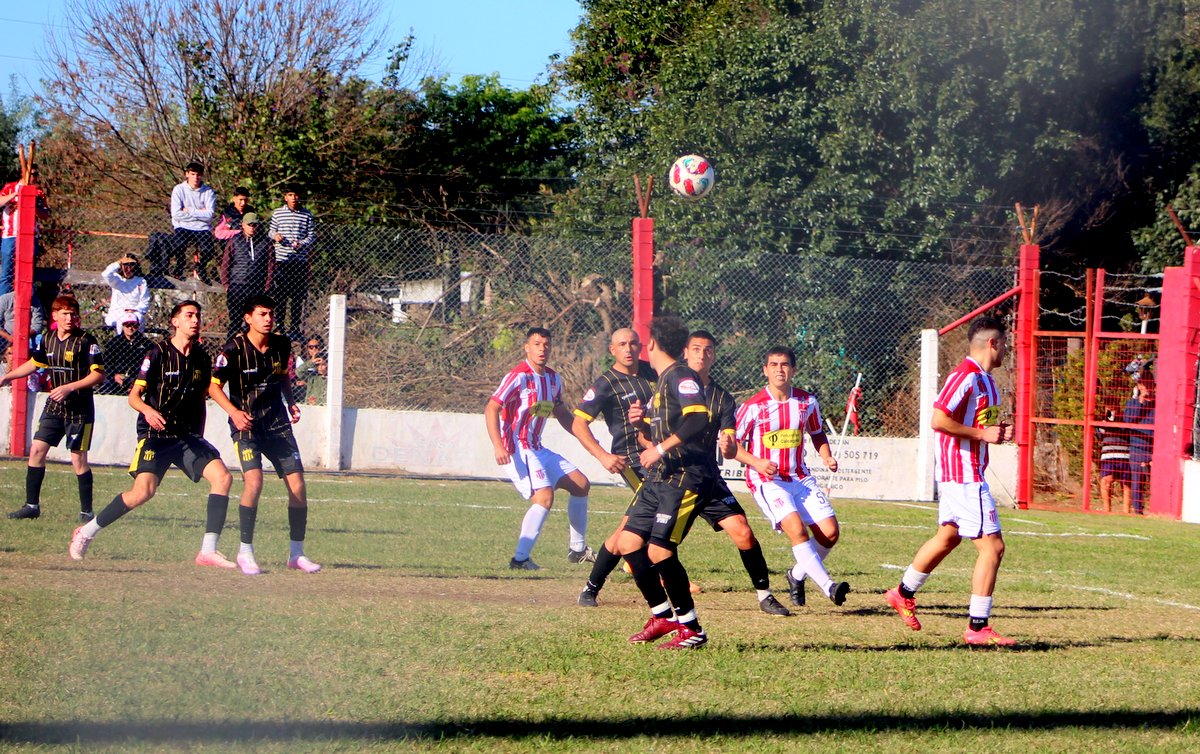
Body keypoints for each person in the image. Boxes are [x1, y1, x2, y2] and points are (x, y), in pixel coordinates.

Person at [68, 300, 235, 567]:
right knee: (142, 492)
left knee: (223, 478)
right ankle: (86, 532)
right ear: (175, 322)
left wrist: (200, 434)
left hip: (185, 435)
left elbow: (203, 397)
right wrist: (148, 411)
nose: (195, 320)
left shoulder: (202, 357)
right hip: (155, 435)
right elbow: (134, 397)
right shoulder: (156, 352)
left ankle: (207, 551)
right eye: (189, 315)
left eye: (198, 316)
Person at [884, 316, 1017, 646]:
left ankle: (902, 593)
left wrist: (997, 433)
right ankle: (977, 626)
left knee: (948, 538)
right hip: (963, 475)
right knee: (993, 547)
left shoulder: (988, 381)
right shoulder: (965, 376)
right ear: (993, 344)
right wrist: (981, 433)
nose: (1007, 349)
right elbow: (938, 419)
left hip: (966, 473)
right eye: (1005, 343)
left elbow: (979, 426)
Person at [615, 315, 715, 650]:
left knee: (659, 550)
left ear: (653, 344)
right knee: (628, 544)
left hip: (685, 477)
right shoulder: (662, 381)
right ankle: (662, 616)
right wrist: (644, 427)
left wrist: (659, 447)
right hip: (660, 477)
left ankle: (693, 629)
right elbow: (657, 437)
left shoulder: (681, 375)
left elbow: (698, 418)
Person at [728, 346, 851, 609]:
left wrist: (826, 456)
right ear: (765, 370)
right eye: (773, 365)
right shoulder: (753, 407)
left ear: (793, 370)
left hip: (799, 478)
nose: (779, 370)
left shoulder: (807, 402)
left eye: (784, 365)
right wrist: (757, 462)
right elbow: (731, 447)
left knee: (829, 533)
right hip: (767, 481)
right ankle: (829, 587)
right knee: (796, 530)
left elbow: (817, 433)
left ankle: (796, 576)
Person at [209, 294, 321, 575]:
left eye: (271, 313)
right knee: (254, 482)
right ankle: (245, 551)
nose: (268, 319)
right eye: (262, 314)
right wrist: (234, 412)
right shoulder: (233, 349)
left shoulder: (282, 345)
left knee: (298, 487)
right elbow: (212, 387)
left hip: (277, 424)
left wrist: (290, 401)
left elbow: (282, 375)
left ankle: (296, 554)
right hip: (247, 426)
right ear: (248, 318)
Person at [485, 326, 593, 570]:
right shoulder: (518, 375)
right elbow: (492, 407)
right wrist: (498, 446)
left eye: (546, 344)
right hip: (517, 448)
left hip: (537, 447)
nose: (542, 349)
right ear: (527, 347)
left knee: (581, 484)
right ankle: (520, 559)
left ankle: (577, 550)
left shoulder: (554, 379)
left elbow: (561, 412)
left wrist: (583, 435)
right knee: (544, 497)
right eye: (536, 344)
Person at [572, 328, 657, 603]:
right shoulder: (606, 383)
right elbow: (578, 423)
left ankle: (606, 578)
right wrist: (603, 456)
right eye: (622, 344)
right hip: (631, 461)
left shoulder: (653, 373)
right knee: (642, 523)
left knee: (641, 524)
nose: (628, 348)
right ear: (612, 350)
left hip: (657, 457)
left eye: (633, 343)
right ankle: (592, 587)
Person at [3, 295, 104, 522]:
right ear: (55, 316)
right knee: (37, 450)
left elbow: (98, 374)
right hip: (55, 406)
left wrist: (69, 387)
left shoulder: (86, 341)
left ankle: (87, 512)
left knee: (78, 459)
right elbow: (35, 363)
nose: (70, 318)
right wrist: (8, 377)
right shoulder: (47, 338)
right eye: (65, 313)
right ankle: (31, 506)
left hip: (80, 408)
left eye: (73, 314)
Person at [268, 187, 316, 339]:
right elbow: (270, 231)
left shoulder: (306, 214)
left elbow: (312, 235)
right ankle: (280, 325)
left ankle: (294, 328)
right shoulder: (278, 213)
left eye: (296, 194)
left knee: (297, 296)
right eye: (290, 195)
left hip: (299, 261)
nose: (294, 197)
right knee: (281, 295)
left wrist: (302, 244)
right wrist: (276, 236)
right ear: (285, 197)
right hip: (282, 260)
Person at [0, 163, 51, 296]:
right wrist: (16, 194)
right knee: (7, 272)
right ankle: (3, 303)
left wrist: (34, 206)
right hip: (10, 235)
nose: (34, 177)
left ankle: (24, 300)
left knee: (27, 273)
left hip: (30, 236)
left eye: (36, 174)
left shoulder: (38, 192)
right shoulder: (10, 188)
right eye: (32, 174)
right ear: (24, 173)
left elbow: (46, 215)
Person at [220, 212, 271, 338]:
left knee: (253, 323)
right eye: (249, 225)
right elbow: (226, 262)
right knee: (235, 321)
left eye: (254, 225)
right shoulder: (235, 241)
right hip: (237, 286)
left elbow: (271, 266)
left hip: (256, 287)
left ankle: (251, 351)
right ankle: (231, 349)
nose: (252, 227)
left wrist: (267, 285)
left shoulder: (265, 242)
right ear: (243, 225)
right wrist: (226, 283)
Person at [169, 162, 217, 282]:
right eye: (193, 174)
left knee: (209, 250)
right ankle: (180, 265)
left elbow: (210, 215)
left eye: (198, 174)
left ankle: (201, 266)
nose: (196, 177)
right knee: (178, 245)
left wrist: (189, 210)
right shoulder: (179, 190)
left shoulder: (208, 191)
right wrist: (200, 213)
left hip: (202, 228)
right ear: (187, 174)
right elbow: (176, 214)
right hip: (183, 226)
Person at [1125, 376, 1155, 515]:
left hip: (1154, 448)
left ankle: (1155, 509)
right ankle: (1138, 511)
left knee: (1154, 480)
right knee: (1137, 481)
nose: (1146, 387)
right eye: (1143, 385)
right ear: (1138, 386)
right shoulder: (1132, 403)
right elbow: (1128, 421)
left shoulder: (1157, 404)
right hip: (1137, 447)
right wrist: (1141, 401)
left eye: (1148, 384)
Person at [98, 319, 153, 395]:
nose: (130, 328)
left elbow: (151, 363)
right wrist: (114, 375)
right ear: (123, 326)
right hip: (115, 377)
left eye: (133, 325)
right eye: (127, 325)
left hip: (139, 377)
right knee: (106, 387)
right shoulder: (114, 342)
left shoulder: (147, 343)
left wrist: (138, 377)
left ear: (138, 326)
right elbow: (106, 363)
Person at [101, 253, 151, 335]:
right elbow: (106, 274)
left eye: (131, 265)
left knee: (139, 319)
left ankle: (137, 343)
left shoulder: (141, 281)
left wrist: (135, 310)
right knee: (121, 322)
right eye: (126, 265)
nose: (128, 268)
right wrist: (118, 263)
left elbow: (145, 301)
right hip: (118, 312)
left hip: (134, 312)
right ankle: (120, 343)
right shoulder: (116, 279)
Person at [1097, 408, 1132, 514]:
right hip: (1108, 456)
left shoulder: (1125, 419)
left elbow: (1127, 432)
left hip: (1124, 456)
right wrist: (1105, 420)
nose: (1111, 410)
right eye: (1108, 408)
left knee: (1126, 484)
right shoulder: (1103, 421)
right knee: (1106, 481)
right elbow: (1099, 435)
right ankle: (1107, 511)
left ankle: (1126, 512)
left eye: (1113, 407)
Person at [0, 289, 45, 359]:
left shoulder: (35, 302)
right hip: (6, 335)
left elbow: (37, 325)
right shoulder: (5, 299)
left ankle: (37, 365)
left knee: (40, 339)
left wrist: (24, 335)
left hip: (27, 335)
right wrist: (8, 337)